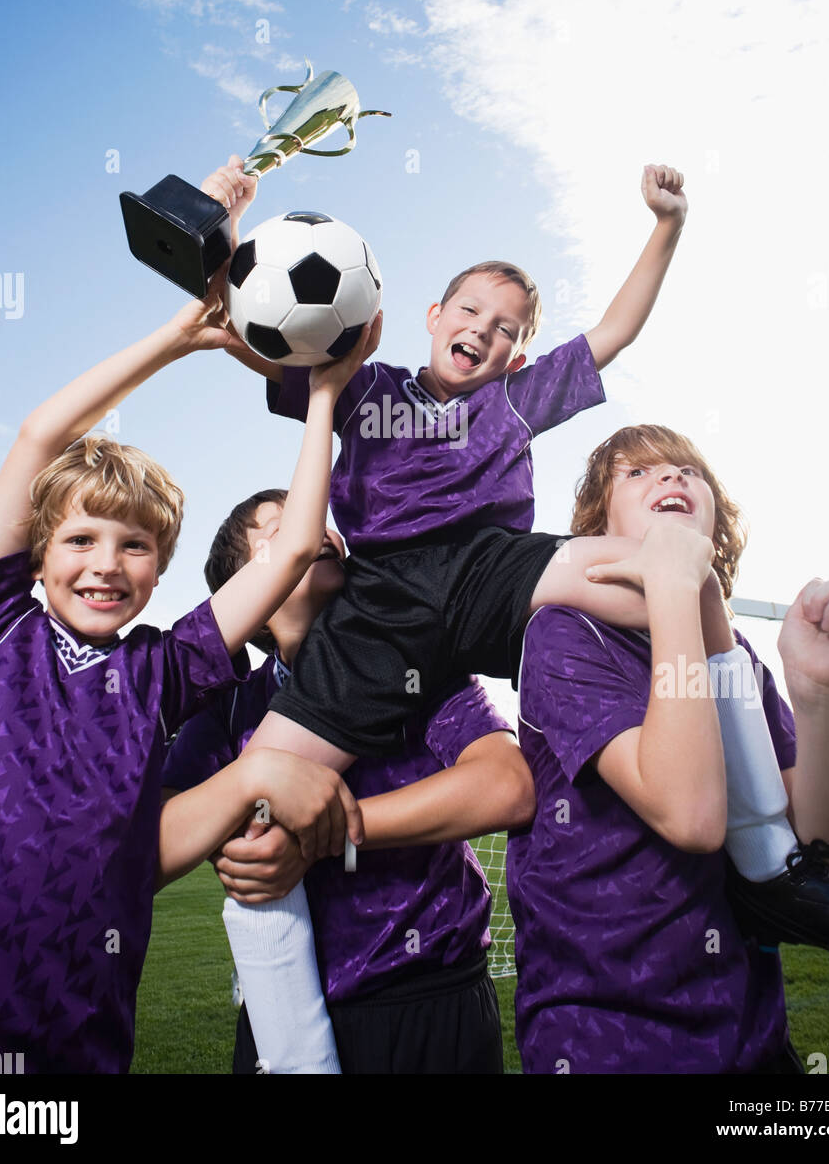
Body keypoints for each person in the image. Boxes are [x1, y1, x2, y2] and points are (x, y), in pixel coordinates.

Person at [202, 154, 686, 1070]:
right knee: (254, 797)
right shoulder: (366, 386)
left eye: (508, 329)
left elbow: (615, 330)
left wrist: (666, 225)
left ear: (518, 351)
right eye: (469, 312)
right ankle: (294, 1050)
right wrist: (225, 228)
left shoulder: (516, 400)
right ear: (431, 316)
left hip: (486, 572)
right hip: (380, 600)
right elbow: (253, 327)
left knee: (658, 576)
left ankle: (758, 848)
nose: (485, 332)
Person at [0, 280, 374, 1073]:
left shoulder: (161, 673)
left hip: (74, 1044)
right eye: (80, 541)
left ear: (161, 568)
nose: (106, 565)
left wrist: (326, 398)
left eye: (134, 546)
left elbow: (296, 544)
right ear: (36, 555)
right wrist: (173, 340)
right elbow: (39, 436)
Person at [507, 424, 829, 1074]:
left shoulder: (736, 657)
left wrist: (812, 691)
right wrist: (676, 590)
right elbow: (690, 815)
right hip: (606, 1033)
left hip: (749, 1029)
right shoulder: (565, 634)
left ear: (717, 521)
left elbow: (820, 855)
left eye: (688, 470)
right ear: (598, 529)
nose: (670, 477)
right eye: (636, 473)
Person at [159, 488, 535, 1074]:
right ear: (246, 589)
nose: (324, 534)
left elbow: (506, 786)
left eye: (324, 522)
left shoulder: (417, 657)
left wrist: (324, 835)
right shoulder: (228, 708)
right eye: (286, 529)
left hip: (430, 1001)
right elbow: (159, 834)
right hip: (280, 1009)